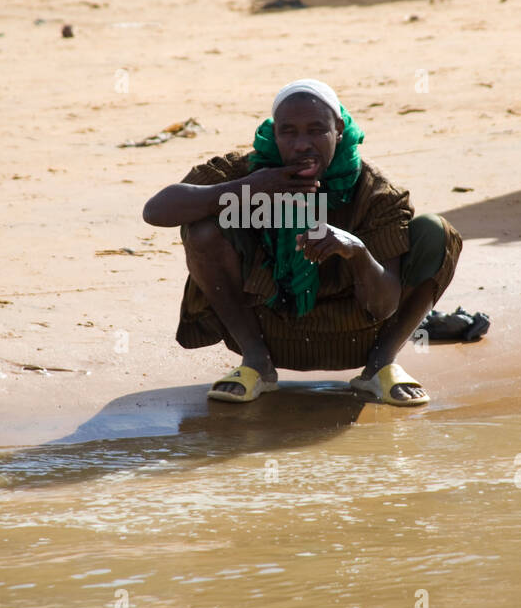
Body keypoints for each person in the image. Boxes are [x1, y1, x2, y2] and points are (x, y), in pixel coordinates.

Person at [142, 78, 462, 406]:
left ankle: (380, 367)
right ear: (274, 131)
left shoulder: (376, 192)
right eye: (289, 132)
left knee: (436, 231)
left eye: (316, 130)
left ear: (338, 129)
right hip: (267, 328)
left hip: (355, 334)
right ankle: (257, 365)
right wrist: (246, 189)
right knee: (203, 228)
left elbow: (383, 306)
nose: (301, 145)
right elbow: (156, 210)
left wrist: (357, 253)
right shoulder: (251, 170)